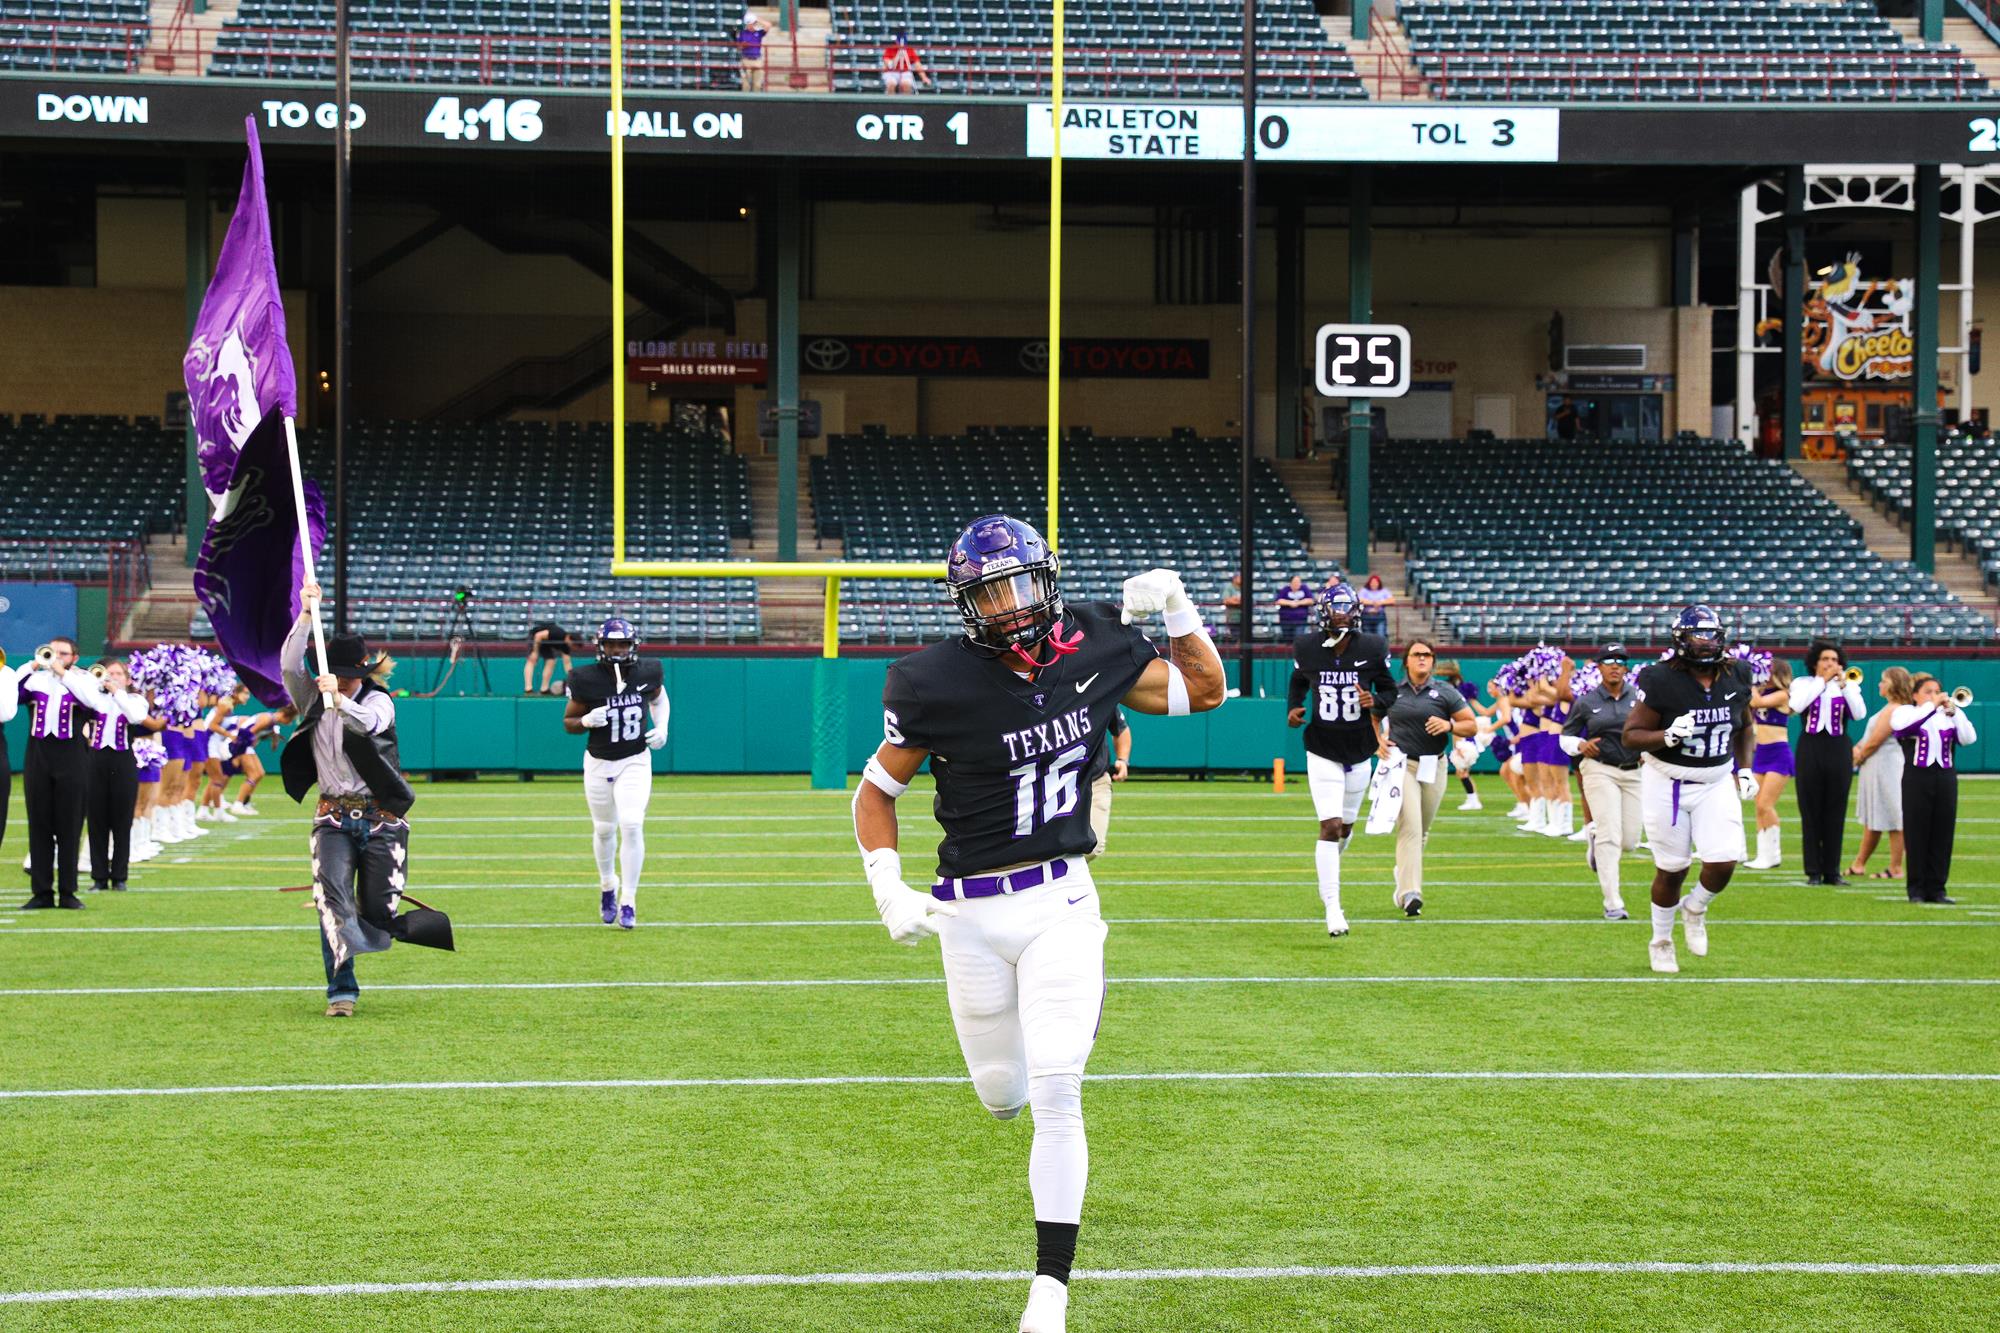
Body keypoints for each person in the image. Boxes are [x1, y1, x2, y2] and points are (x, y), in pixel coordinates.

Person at [852, 515, 1223, 1333]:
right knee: (1001, 1094)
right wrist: (887, 884)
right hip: (970, 914)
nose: (1013, 605)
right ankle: (1009, 1090)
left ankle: (1048, 1292)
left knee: (1059, 1085)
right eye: (991, 592)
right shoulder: (929, 682)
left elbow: (1204, 692)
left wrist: (1177, 606)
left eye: (1022, 583)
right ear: (966, 606)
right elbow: (876, 793)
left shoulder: (1095, 638)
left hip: (1062, 897)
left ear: (1047, 578)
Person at [281, 582, 445, 1018]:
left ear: (362, 673)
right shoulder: (312, 698)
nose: (344, 680)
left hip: (380, 819)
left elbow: (370, 724)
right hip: (332, 817)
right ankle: (341, 991)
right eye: (336, 673)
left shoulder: (379, 701)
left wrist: (339, 697)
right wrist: (303, 615)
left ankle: (401, 925)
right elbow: (287, 665)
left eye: (350, 674)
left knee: (376, 909)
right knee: (333, 904)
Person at [1623, 605, 1753, 975]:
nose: (1705, 642)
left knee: (1725, 859)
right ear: (1681, 639)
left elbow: (1744, 726)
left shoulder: (1738, 673)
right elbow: (1631, 736)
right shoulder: (1659, 678)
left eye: (1711, 634)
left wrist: (1744, 770)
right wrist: (1666, 735)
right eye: (1697, 635)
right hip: (1669, 781)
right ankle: (1661, 940)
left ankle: (1695, 908)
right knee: (1671, 869)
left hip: (1715, 780)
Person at [1286, 583, 1395, 936]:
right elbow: (1298, 680)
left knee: (1345, 828)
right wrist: (1293, 707)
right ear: (1323, 612)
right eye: (1335, 607)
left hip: (1360, 747)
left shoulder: (1373, 647)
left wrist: (1376, 704)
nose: (1341, 614)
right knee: (1329, 826)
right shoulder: (1307, 647)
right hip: (1322, 747)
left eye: (1347, 607)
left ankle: (1331, 859)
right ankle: (1333, 907)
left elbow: (1390, 689)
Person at [563, 617, 669, 930]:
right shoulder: (585, 679)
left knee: (632, 823)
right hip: (598, 762)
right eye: (611, 644)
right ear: (601, 646)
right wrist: (585, 722)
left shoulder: (648, 671)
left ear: (633, 644)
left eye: (622, 643)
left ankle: (629, 901)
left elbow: (659, 698)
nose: (617, 649)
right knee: (605, 828)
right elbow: (568, 722)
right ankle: (608, 885)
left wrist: (662, 726)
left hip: (635, 759)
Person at [14, 639, 118, 910]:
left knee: (69, 825)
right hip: (38, 755)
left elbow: (92, 701)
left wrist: (64, 673)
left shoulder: (83, 681)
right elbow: (12, 695)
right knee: (39, 825)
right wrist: (31, 664)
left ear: (74, 657)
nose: (56, 657)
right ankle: (41, 892)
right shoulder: (34, 680)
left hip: (72, 757)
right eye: (53, 651)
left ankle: (68, 892)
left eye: (63, 653)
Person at [1382, 639, 1476, 917]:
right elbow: (1373, 716)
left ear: (1433, 661)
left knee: (1421, 830)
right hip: (1404, 765)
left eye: (1427, 655)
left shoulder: (1445, 692)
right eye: (1417, 654)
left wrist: (1450, 725)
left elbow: (1470, 723)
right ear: (1406, 661)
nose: (1422, 659)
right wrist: (1378, 740)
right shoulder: (1393, 692)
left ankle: (1403, 872)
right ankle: (1411, 893)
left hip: (1434, 765)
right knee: (1410, 826)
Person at [1560, 645, 1642, 920]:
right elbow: (1565, 736)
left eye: (1620, 660)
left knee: (1630, 840)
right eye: (1609, 661)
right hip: (1599, 768)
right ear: (1599, 667)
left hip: (1633, 771)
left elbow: (1655, 728)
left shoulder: (1641, 699)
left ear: (1627, 667)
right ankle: (1613, 902)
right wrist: (1581, 744)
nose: (1615, 665)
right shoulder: (1586, 701)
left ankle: (1594, 836)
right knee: (1611, 835)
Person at [1893, 674, 1977, 905]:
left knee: (1943, 832)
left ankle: (1938, 888)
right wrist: (1932, 705)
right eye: (1928, 691)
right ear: (1915, 695)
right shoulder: (1906, 712)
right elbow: (1902, 728)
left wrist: (1956, 712)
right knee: (1917, 831)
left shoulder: (1947, 717)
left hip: (1946, 777)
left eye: (1937, 691)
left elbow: (1969, 738)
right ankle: (1917, 889)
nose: (1934, 695)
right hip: (1916, 777)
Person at [1788, 640, 1865, 885]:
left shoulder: (1849, 685)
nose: (1830, 664)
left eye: (1834, 660)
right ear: (1815, 662)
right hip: (1810, 747)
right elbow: (1797, 705)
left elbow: (1859, 713)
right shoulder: (1803, 683)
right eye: (1825, 659)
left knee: (1835, 809)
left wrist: (1845, 686)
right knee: (1810, 809)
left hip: (1838, 747)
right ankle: (1813, 871)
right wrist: (1822, 680)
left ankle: (1832, 871)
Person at [83, 659, 155, 893]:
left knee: (122, 821)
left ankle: (120, 876)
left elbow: (135, 717)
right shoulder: (95, 698)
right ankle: (99, 877)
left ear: (127, 678)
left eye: (118, 674)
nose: (112, 677)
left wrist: (117, 692)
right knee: (97, 822)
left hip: (123, 760)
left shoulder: (135, 700)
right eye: (108, 673)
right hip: (96, 760)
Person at [1847, 666, 1911, 880]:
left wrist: (1859, 755)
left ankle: (1895, 867)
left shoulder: (1895, 709)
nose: (1879, 685)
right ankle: (1859, 863)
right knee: (1874, 816)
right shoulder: (1890, 707)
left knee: (1895, 817)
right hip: (1876, 766)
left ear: (1893, 684)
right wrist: (1858, 749)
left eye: (1884, 681)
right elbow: (1870, 739)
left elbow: (1876, 740)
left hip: (1887, 767)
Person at [1742, 656, 1795, 871]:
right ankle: (1763, 854)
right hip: (1762, 753)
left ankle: (1773, 854)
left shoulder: (1783, 694)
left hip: (1778, 753)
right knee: (1757, 804)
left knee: (1766, 803)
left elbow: (1757, 703)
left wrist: (1751, 683)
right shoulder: (1763, 692)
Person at [1085, 707, 1129, 862]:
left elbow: (1121, 729)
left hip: (1096, 780)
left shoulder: (1097, 691)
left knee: (1093, 846)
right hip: (1061, 783)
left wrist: (1123, 760)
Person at [524, 622, 576, 696]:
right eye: (573, 644)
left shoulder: (566, 646)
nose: (573, 647)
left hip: (546, 643)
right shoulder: (558, 633)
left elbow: (567, 662)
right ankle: (528, 689)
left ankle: (544, 689)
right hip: (535, 637)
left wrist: (571, 678)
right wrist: (535, 652)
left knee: (551, 661)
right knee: (532, 660)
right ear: (569, 638)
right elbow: (538, 635)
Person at [881, 30, 932, 94]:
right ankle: (891, 103)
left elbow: (917, 65)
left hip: (905, 71)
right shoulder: (890, 49)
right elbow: (889, 65)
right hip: (891, 72)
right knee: (891, 84)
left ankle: (905, 103)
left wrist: (924, 78)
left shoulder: (909, 50)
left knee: (906, 85)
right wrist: (898, 55)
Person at [737, 11, 770, 91]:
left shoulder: (758, 33)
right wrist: (743, 46)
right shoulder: (742, 33)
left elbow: (768, 25)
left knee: (757, 85)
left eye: (751, 23)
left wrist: (756, 18)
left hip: (756, 60)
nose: (750, 25)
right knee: (746, 85)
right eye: (748, 23)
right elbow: (738, 47)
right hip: (746, 60)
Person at [1357, 572, 1392, 638]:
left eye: (1376, 582)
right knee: (1367, 637)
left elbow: (1392, 600)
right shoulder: (1364, 590)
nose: (1374, 584)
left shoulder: (1384, 591)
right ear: (1369, 583)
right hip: (1366, 617)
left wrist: (1380, 603)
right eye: (1372, 582)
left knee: (1381, 636)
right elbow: (1359, 600)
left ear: (1379, 583)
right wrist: (1373, 603)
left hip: (1379, 617)